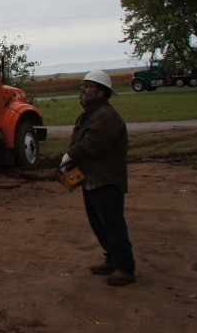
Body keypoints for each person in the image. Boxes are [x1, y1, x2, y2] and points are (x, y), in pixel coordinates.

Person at [60, 70, 135, 286]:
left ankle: (125, 268)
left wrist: (70, 155)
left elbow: (94, 144)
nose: (82, 90)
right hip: (92, 179)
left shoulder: (106, 116)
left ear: (102, 92)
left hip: (106, 179)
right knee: (99, 224)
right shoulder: (91, 114)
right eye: (82, 86)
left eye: (88, 86)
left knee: (113, 225)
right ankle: (111, 259)